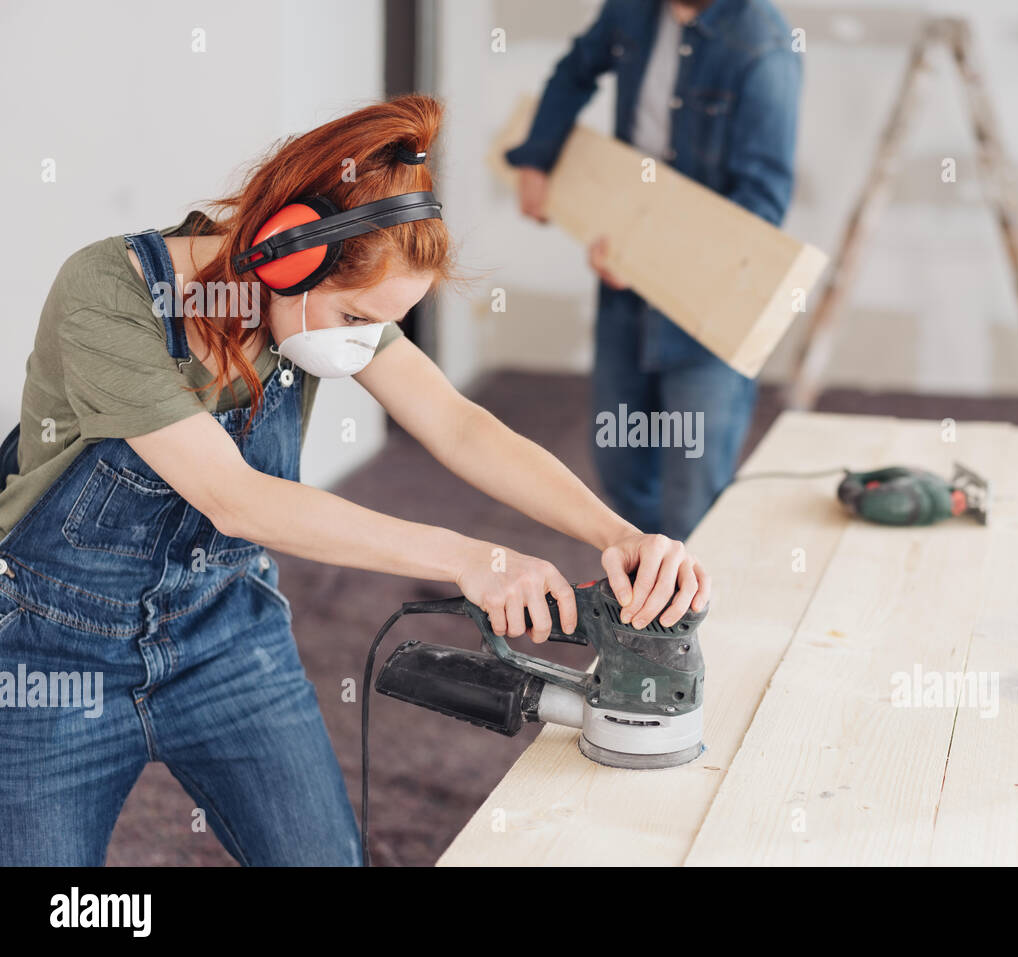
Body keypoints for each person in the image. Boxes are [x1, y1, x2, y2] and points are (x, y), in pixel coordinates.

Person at [0, 94, 708, 866]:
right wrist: (471, 558)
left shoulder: (319, 305)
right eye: (354, 319)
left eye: (383, 324)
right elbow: (236, 500)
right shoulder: (110, 292)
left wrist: (619, 534)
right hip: (53, 655)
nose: (365, 344)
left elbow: (459, 424)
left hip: (226, 631)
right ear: (282, 255)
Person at [506, 0, 802, 540]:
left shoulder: (763, 46)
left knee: (694, 490)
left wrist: (655, 260)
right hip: (624, 280)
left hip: (709, 298)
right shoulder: (634, 10)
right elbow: (576, 70)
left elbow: (760, 204)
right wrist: (536, 157)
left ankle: (693, 614)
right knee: (619, 461)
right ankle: (646, 601)